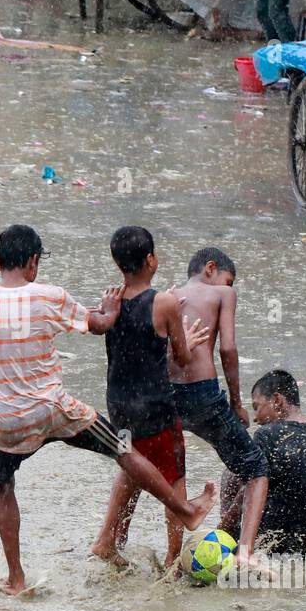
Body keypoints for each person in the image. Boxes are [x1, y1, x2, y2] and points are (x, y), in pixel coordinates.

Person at [0, 225, 217, 597]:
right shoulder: (49, 296)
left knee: (2, 486)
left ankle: (17, 578)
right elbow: (100, 324)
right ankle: (185, 510)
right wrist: (111, 310)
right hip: (53, 409)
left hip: (2, 419)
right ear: (34, 263)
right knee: (122, 449)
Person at [91, 227, 211, 569]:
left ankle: (109, 540)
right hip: (155, 407)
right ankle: (174, 560)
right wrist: (186, 336)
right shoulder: (166, 302)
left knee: (133, 466)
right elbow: (183, 358)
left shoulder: (110, 302)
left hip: (119, 406)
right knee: (173, 477)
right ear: (150, 259)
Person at [167, 248, 271, 568]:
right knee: (256, 468)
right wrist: (237, 403)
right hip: (203, 396)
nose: (229, 284)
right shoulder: (224, 294)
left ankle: (172, 557)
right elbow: (227, 347)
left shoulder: (167, 297)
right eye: (228, 278)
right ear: (211, 269)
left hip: (165, 397)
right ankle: (244, 553)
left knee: (172, 474)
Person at [219, 369, 306, 555]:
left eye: (257, 407)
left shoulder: (266, 435)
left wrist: (220, 530)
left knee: (232, 470)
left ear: (277, 401)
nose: (255, 417)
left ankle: (231, 542)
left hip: (272, 548)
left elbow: (247, 494)